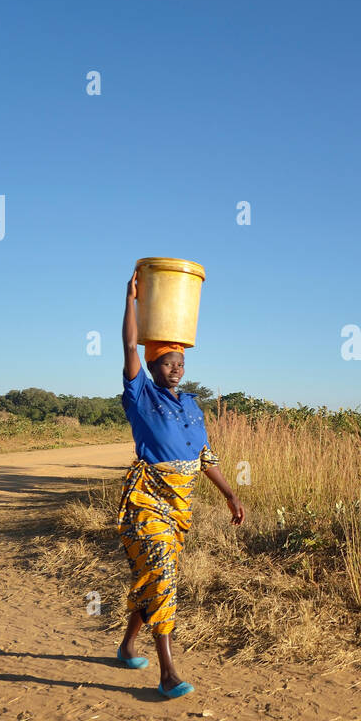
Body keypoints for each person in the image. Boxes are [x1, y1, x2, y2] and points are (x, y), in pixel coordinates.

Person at [117, 269, 244, 698]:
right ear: (152, 367)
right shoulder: (140, 396)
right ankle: (168, 673)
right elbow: (128, 346)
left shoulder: (192, 405)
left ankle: (127, 644)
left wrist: (230, 494)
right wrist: (131, 301)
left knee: (154, 577)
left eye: (180, 364)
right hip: (146, 503)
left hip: (180, 508)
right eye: (167, 363)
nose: (175, 369)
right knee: (163, 576)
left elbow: (205, 457)